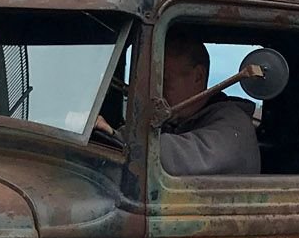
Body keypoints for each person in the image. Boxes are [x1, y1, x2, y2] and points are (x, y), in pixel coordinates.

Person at [96, 33, 261, 176]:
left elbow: (185, 157)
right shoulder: (179, 120)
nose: (156, 93)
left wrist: (116, 138)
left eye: (164, 81)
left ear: (198, 76)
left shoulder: (234, 125)